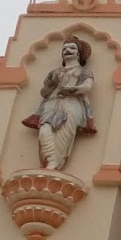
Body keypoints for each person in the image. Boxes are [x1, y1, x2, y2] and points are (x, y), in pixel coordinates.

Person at [21, 36, 96, 170]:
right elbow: (44, 91)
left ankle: (54, 164)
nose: (67, 50)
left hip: (71, 105)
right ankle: (49, 159)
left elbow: (87, 86)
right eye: (65, 49)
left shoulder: (83, 72)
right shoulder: (55, 72)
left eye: (72, 48)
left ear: (78, 53)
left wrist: (71, 90)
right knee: (44, 130)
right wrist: (53, 84)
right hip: (51, 104)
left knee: (64, 134)